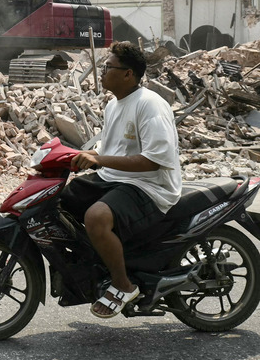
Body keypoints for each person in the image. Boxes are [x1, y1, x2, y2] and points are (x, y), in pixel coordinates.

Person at [60, 40, 181, 319]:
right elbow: (111, 148)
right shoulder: (114, 105)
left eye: (108, 67)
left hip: (150, 186)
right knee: (61, 201)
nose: (102, 73)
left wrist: (99, 160)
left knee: (96, 217)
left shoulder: (150, 105)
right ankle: (95, 264)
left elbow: (153, 160)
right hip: (116, 178)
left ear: (129, 74)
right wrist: (86, 154)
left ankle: (122, 284)